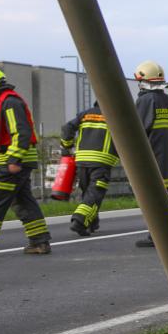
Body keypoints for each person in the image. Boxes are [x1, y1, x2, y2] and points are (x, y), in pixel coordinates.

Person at [0, 66, 51, 254]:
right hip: (6, 161)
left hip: (11, 161)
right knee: (22, 201)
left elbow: (21, 132)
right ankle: (39, 242)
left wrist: (14, 159)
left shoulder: (9, 101)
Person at [132, 60, 168, 248]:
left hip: (153, 157)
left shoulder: (146, 100)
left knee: (154, 198)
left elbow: (137, 131)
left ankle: (157, 236)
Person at [59, 100, 118, 236]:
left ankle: (92, 222)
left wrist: (67, 146)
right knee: (95, 193)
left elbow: (67, 128)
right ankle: (79, 221)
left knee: (88, 192)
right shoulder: (115, 115)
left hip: (82, 160)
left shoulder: (85, 114)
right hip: (101, 161)